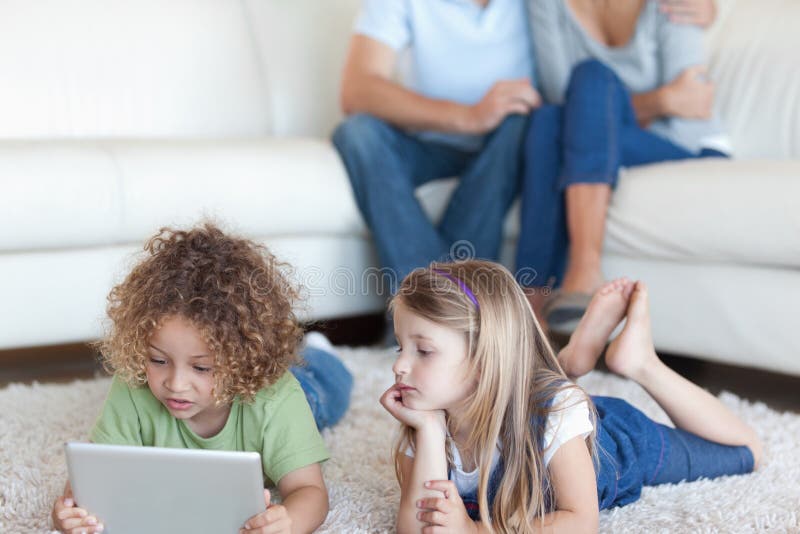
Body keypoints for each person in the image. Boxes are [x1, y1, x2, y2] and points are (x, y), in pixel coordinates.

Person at [381, 260, 760, 532]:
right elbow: (415, 529)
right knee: (543, 396)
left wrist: (475, 531)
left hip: (617, 441)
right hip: (527, 401)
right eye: (400, 347)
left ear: (486, 359)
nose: (400, 366)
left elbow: (581, 520)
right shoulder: (427, 417)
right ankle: (567, 364)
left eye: (423, 351)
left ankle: (641, 362)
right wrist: (429, 432)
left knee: (747, 453)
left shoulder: (556, 414)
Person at [51, 223, 353, 534]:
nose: (176, 383)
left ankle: (320, 351)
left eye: (202, 367)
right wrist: (72, 511)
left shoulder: (278, 397)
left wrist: (290, 522)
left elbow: (310, 491)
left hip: (298, 391)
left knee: (321, 385)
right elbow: (95, 477)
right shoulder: (134, 385)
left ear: (242, 360)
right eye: (159, 360)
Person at [516, 0, 726, 333]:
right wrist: (660, 100)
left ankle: (577, 272)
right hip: (590, 137)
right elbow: (561, 95)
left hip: (683, 146)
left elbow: (690, 99)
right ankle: (530, 315)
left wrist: (598, 109)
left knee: (589, 78)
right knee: (549, 117)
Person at [332, 0, 541, 297]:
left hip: (504, 145)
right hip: (425, 145)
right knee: (358, 134)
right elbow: (357, 89)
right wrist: (470, 116)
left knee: (523, 123)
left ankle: (436, 311)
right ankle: (440, 307)